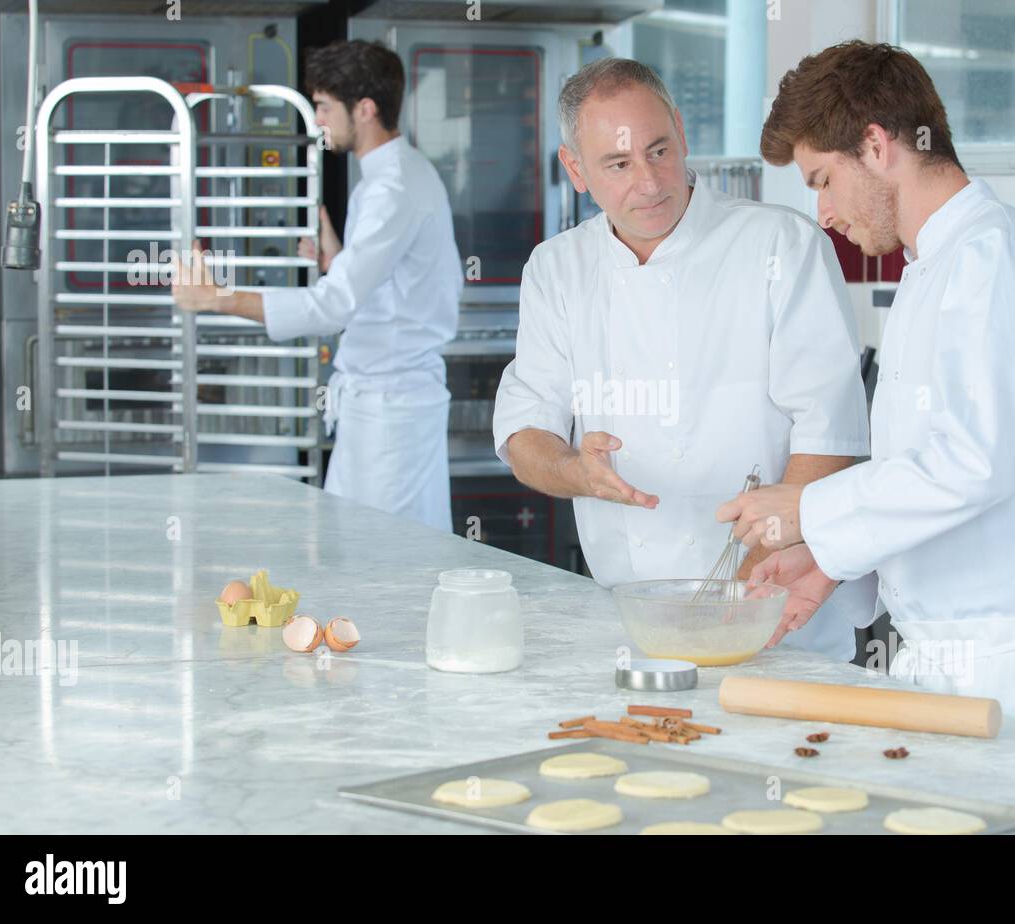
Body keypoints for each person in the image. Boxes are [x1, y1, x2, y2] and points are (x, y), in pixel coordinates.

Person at [720, 41, 1015, 752]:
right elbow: (930, 472)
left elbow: (976, 462)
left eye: (823, 180)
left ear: (878, 146)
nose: (823, 212)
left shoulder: (996, 257)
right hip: (953, 671)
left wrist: (807, 509)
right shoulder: (933, 270)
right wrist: (829, 560)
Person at [492, 58, 873, 658]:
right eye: (618, 164)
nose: (648, 181)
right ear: (576, 170)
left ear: (682, 133)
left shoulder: (781, 244)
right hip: (630, 617)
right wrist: (575, 472)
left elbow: (831, 432)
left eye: (660, 151)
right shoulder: (556, 268)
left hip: (774, 616)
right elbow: (524, 430)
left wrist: (754, 576)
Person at [173, 40, 461, 529]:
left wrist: (215, 297)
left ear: (364, 109)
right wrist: (340, 261)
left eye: (324, 107)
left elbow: (332, 308)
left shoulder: (391, 187)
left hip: (390, 414)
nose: (318, 121)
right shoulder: (400, 174)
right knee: (370, 552)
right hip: (383, 407)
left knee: (384, 562)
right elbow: (400, 285)